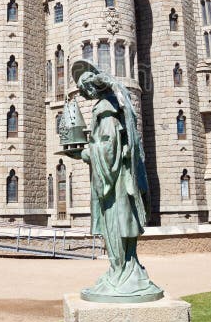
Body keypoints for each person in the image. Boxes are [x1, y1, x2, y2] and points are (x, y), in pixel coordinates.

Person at [67, 59, 163, 302]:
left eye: (83, 90)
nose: (82, 95)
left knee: (116, 228)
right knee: (119, 228)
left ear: (92, 88)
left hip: (116, 186)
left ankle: (121, 273)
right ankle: (121, 271)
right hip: (119, 183)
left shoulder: (105, 110)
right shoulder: (109, 106)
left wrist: (87, 153)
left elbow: (109, 147)